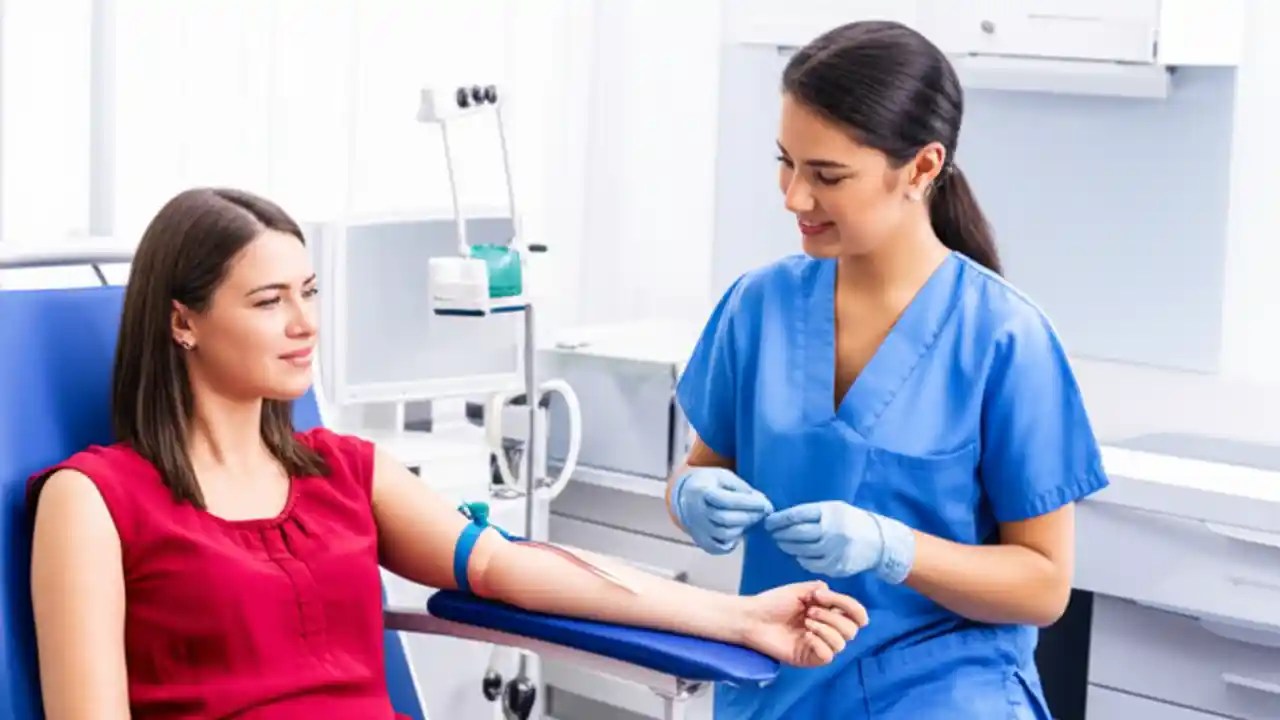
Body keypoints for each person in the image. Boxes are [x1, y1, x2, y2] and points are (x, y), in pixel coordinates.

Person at [27, 188, 870, 720]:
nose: (305, 323)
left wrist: (743, 617)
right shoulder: (96, 500)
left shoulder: (344, 472)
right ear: (183, 321)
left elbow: (516, 566)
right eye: (268, 300)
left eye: (310, 292)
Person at [666, 20, 1109, 720]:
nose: (794, 198)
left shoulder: (1003, 338)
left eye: (827, 175)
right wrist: (693, 494)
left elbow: (1044, 583)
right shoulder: (759, 307)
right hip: (780, 690)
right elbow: (701, 467)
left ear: (922, 168)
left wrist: (892, 546)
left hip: (946, 697)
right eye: (787, 162)